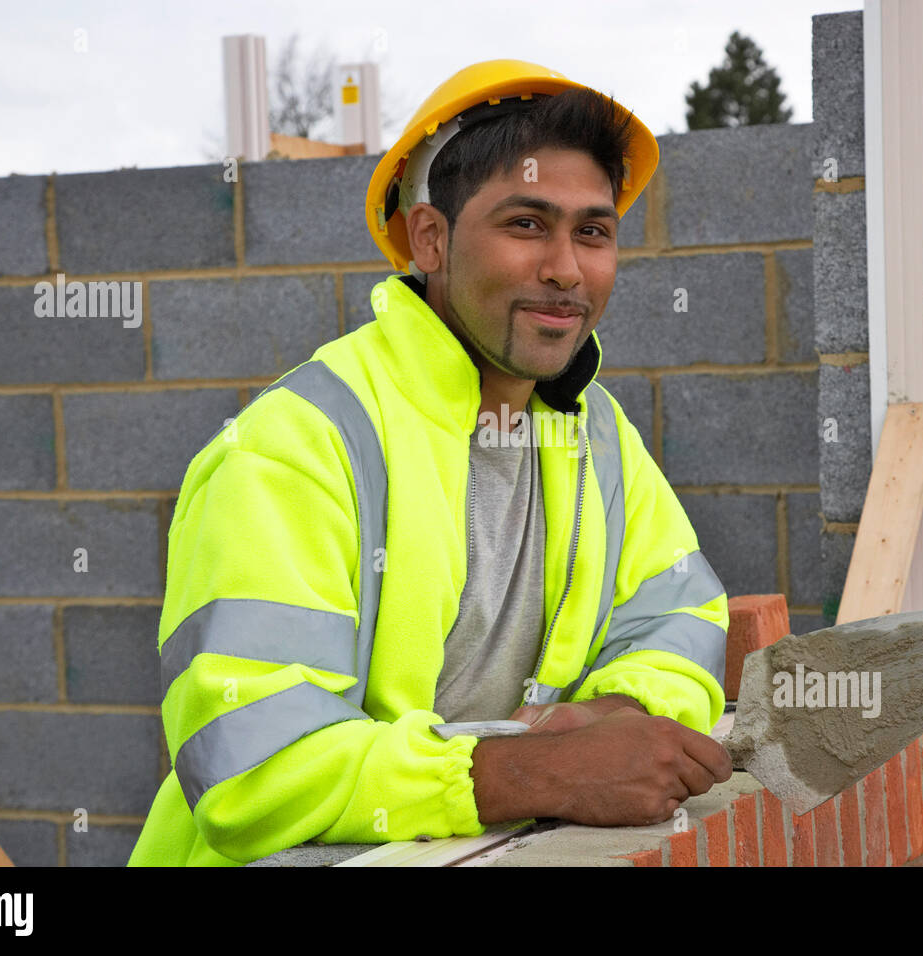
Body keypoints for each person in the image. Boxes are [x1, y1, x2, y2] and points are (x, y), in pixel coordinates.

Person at [128, 60, 731, 867]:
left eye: (592, 231)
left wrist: (610, 714)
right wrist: (530, 770)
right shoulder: (295, 446)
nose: (566, 268)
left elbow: (680, 619)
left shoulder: (596, 436)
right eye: (526, 224)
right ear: (431, 239)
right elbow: (253, 770)